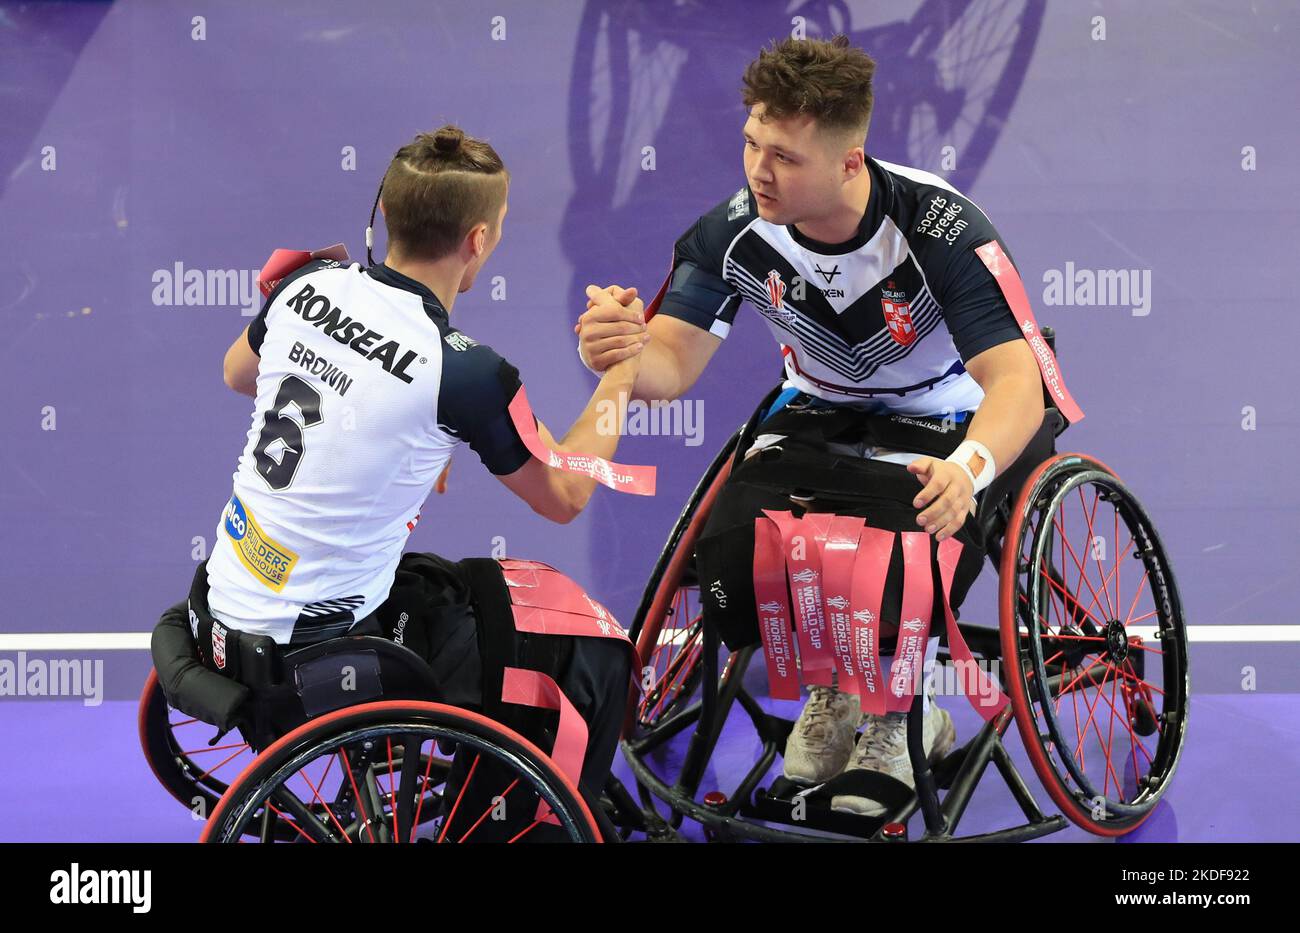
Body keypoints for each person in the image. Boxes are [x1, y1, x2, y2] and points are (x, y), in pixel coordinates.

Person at [577, 36, 1077, 816]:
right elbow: (670, 365)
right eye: (751, 143)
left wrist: (971, 467)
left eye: (784, 156)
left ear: (850, 163)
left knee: (893, 556)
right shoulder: (736, 230)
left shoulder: (940, 229)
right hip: (819, 408)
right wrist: (621, 350)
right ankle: (832, 692)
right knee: (739, 548)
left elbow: (1014, 379)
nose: (758, 171)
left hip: (949, 412)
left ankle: (902, 715)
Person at [168, 124, 649, 811]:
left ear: (385, 214)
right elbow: (568, 491)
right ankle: (526, 818)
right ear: (478, 241)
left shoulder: (307, 284)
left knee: (450, 583)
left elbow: (237, 372)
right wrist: (621, 373)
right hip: (319, 654)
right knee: (585, 642)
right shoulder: (465, 371)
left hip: (220, 610)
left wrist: (372, 426)